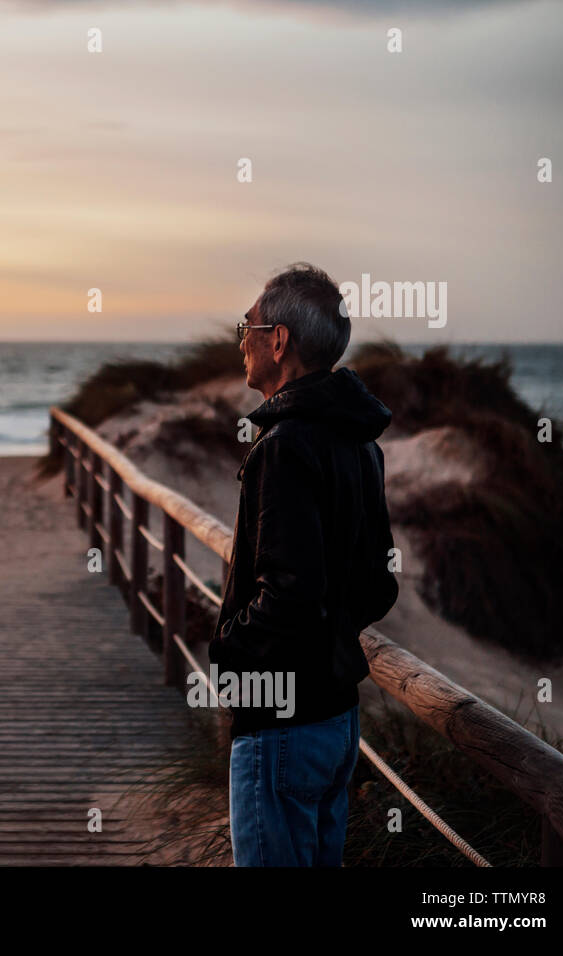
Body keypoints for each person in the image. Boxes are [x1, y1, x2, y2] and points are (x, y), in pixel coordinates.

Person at [210, 262, 400, 866]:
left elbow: (288, 595)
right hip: (336, 719)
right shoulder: (359, 442)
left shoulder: (286, 445)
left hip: (281, 723)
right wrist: (331, 635)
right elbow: (378, 583)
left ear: (279, 340)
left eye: (248, 326)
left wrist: (228, 649)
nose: (242, 338)